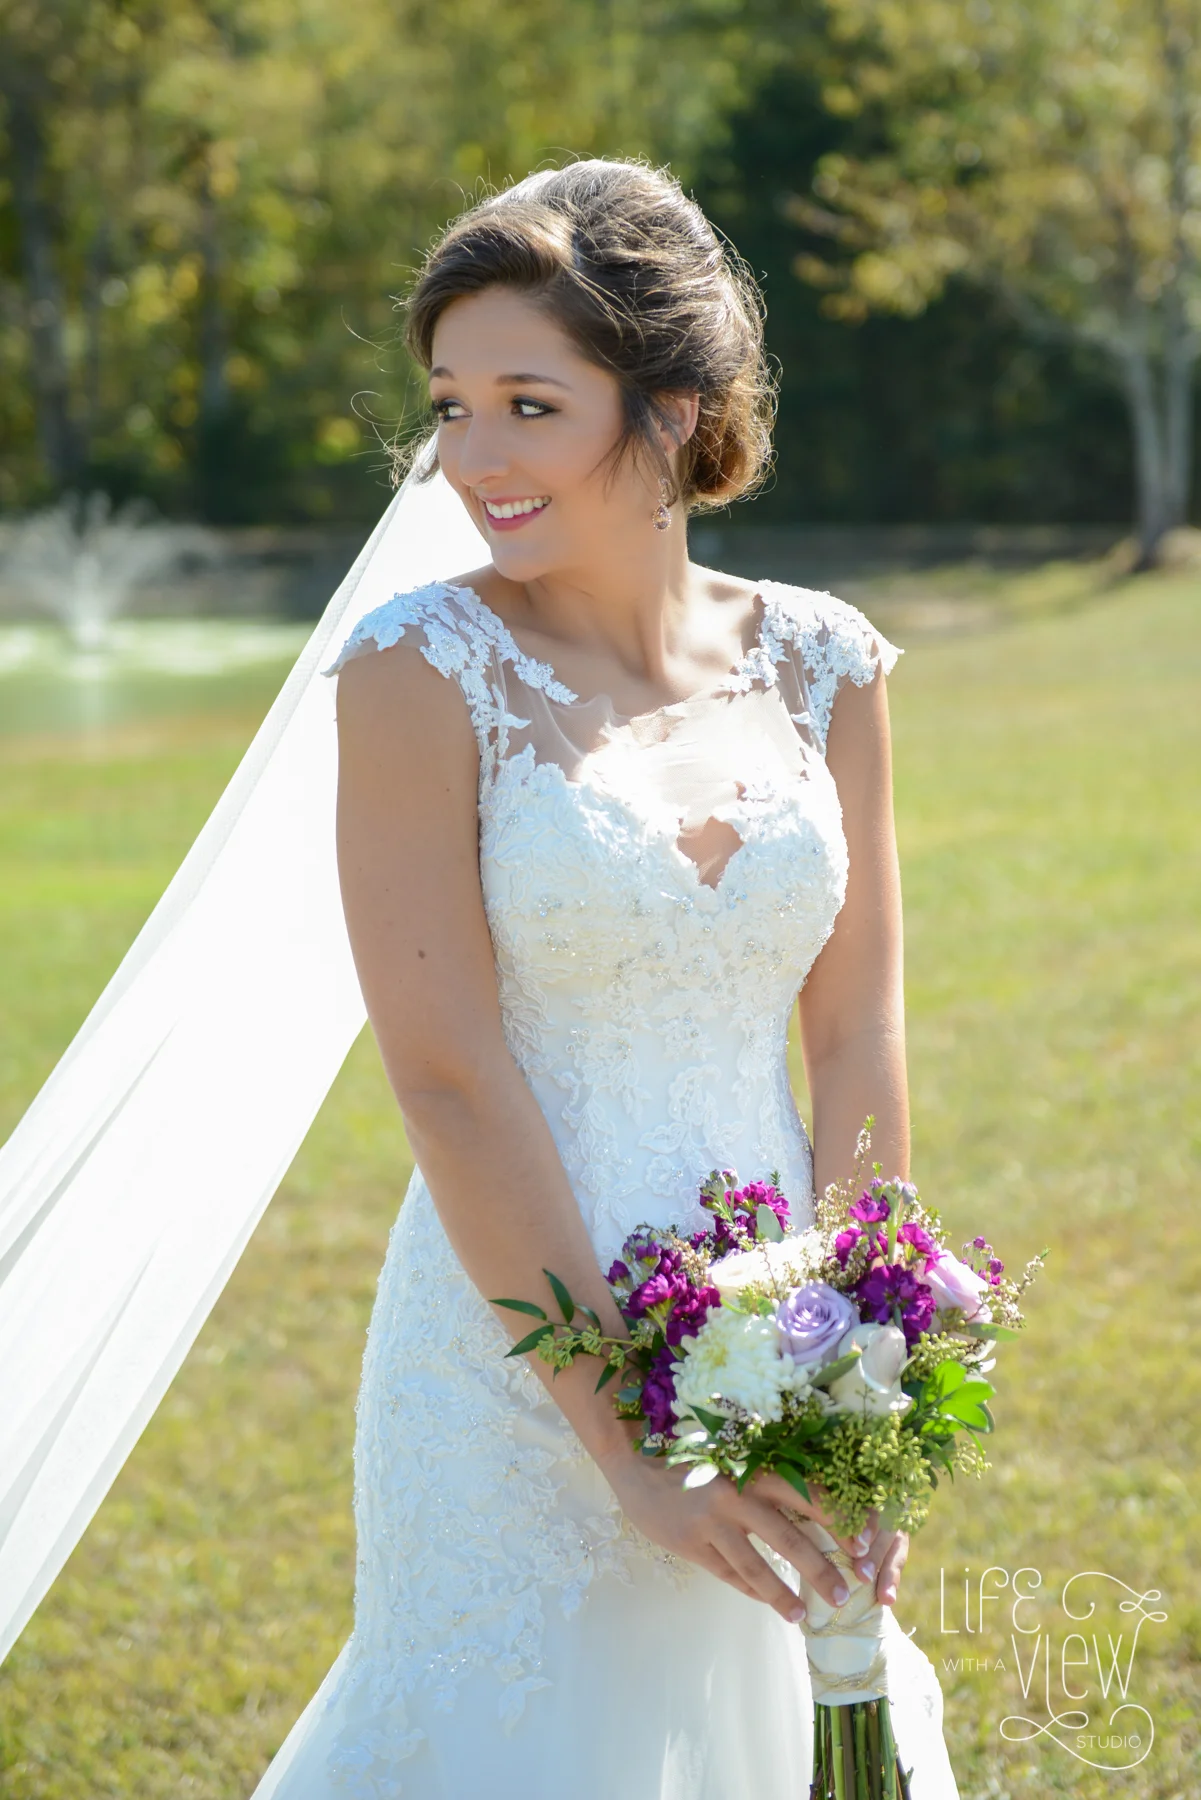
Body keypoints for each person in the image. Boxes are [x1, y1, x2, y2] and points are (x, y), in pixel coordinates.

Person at [255, 158, 959, 1799]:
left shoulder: (827, 661)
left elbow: (856, 1028)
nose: (471, 459)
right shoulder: (419, 673)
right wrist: (632, 1447)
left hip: (782, 1321)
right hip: (513, 1352)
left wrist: (869, 1360)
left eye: (526, 402)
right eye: (450, 405)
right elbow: (446, 1074)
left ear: (675, 405)